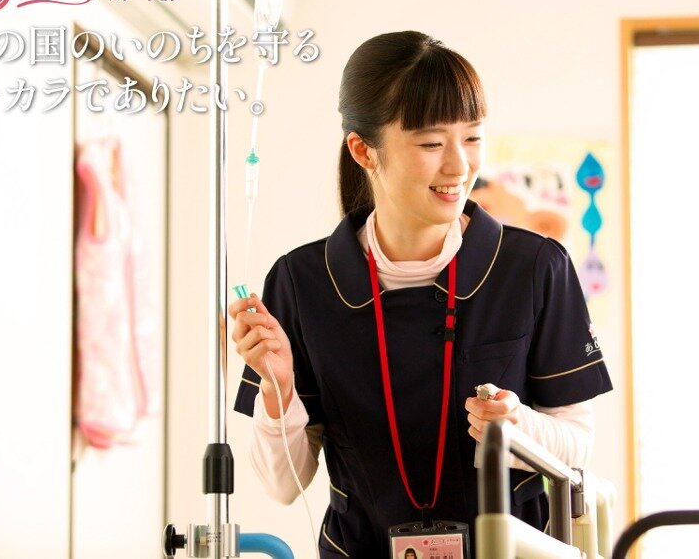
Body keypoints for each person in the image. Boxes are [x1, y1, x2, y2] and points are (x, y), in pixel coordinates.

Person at [227, 31, 612, 558]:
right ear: (363, 150)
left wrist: (515, 427)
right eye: (431, 144)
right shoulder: (303, 282)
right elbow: (282, 486)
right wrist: (280, 387)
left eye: (472, 138)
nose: (459, 166)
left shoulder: (533, 268)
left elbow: (578, 446)